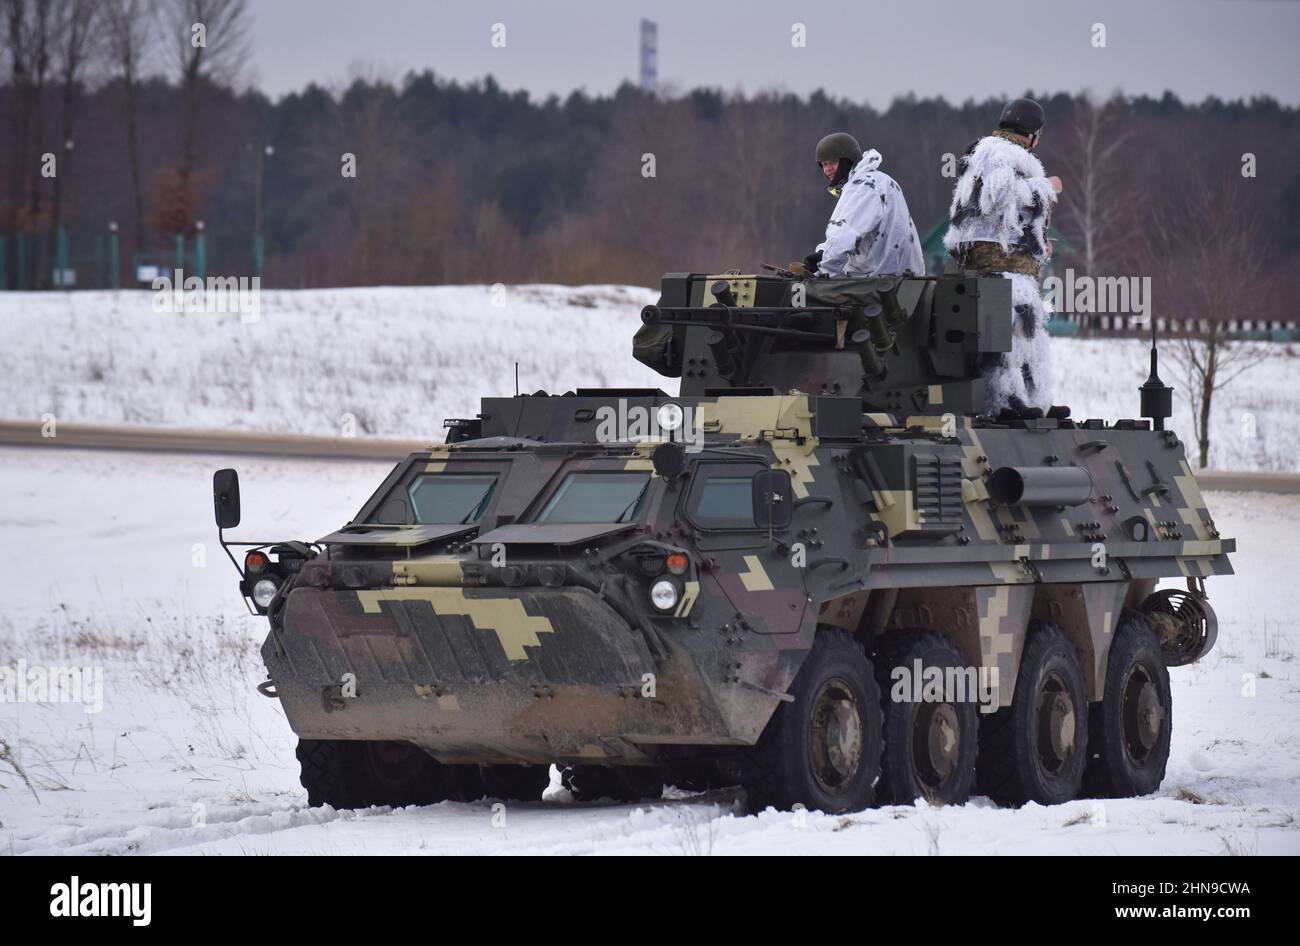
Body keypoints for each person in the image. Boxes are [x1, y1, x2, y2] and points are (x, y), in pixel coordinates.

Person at [943, 98, 1064, 418]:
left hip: (1012, 267)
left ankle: (1035, 400)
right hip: (997, 266)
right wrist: (1044, 187)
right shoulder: (998, 152)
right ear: (1034, 132)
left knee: (1028, 335)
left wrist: (1037, 243)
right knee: (1007, 335)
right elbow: (998, 196)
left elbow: (1006, 216)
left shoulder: (1000, 152)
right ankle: (1006, 401)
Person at [791, 132, 925, 279]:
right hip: (896, 278)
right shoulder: (877, 181)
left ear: (847, 161)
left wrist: (822, 271)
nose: (827, 169)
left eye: (833, 162)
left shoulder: (864, 186)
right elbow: (854, 236)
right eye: (824, 164)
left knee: (808, 296)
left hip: (882, 283)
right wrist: (823, 253)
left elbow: (843, 235)